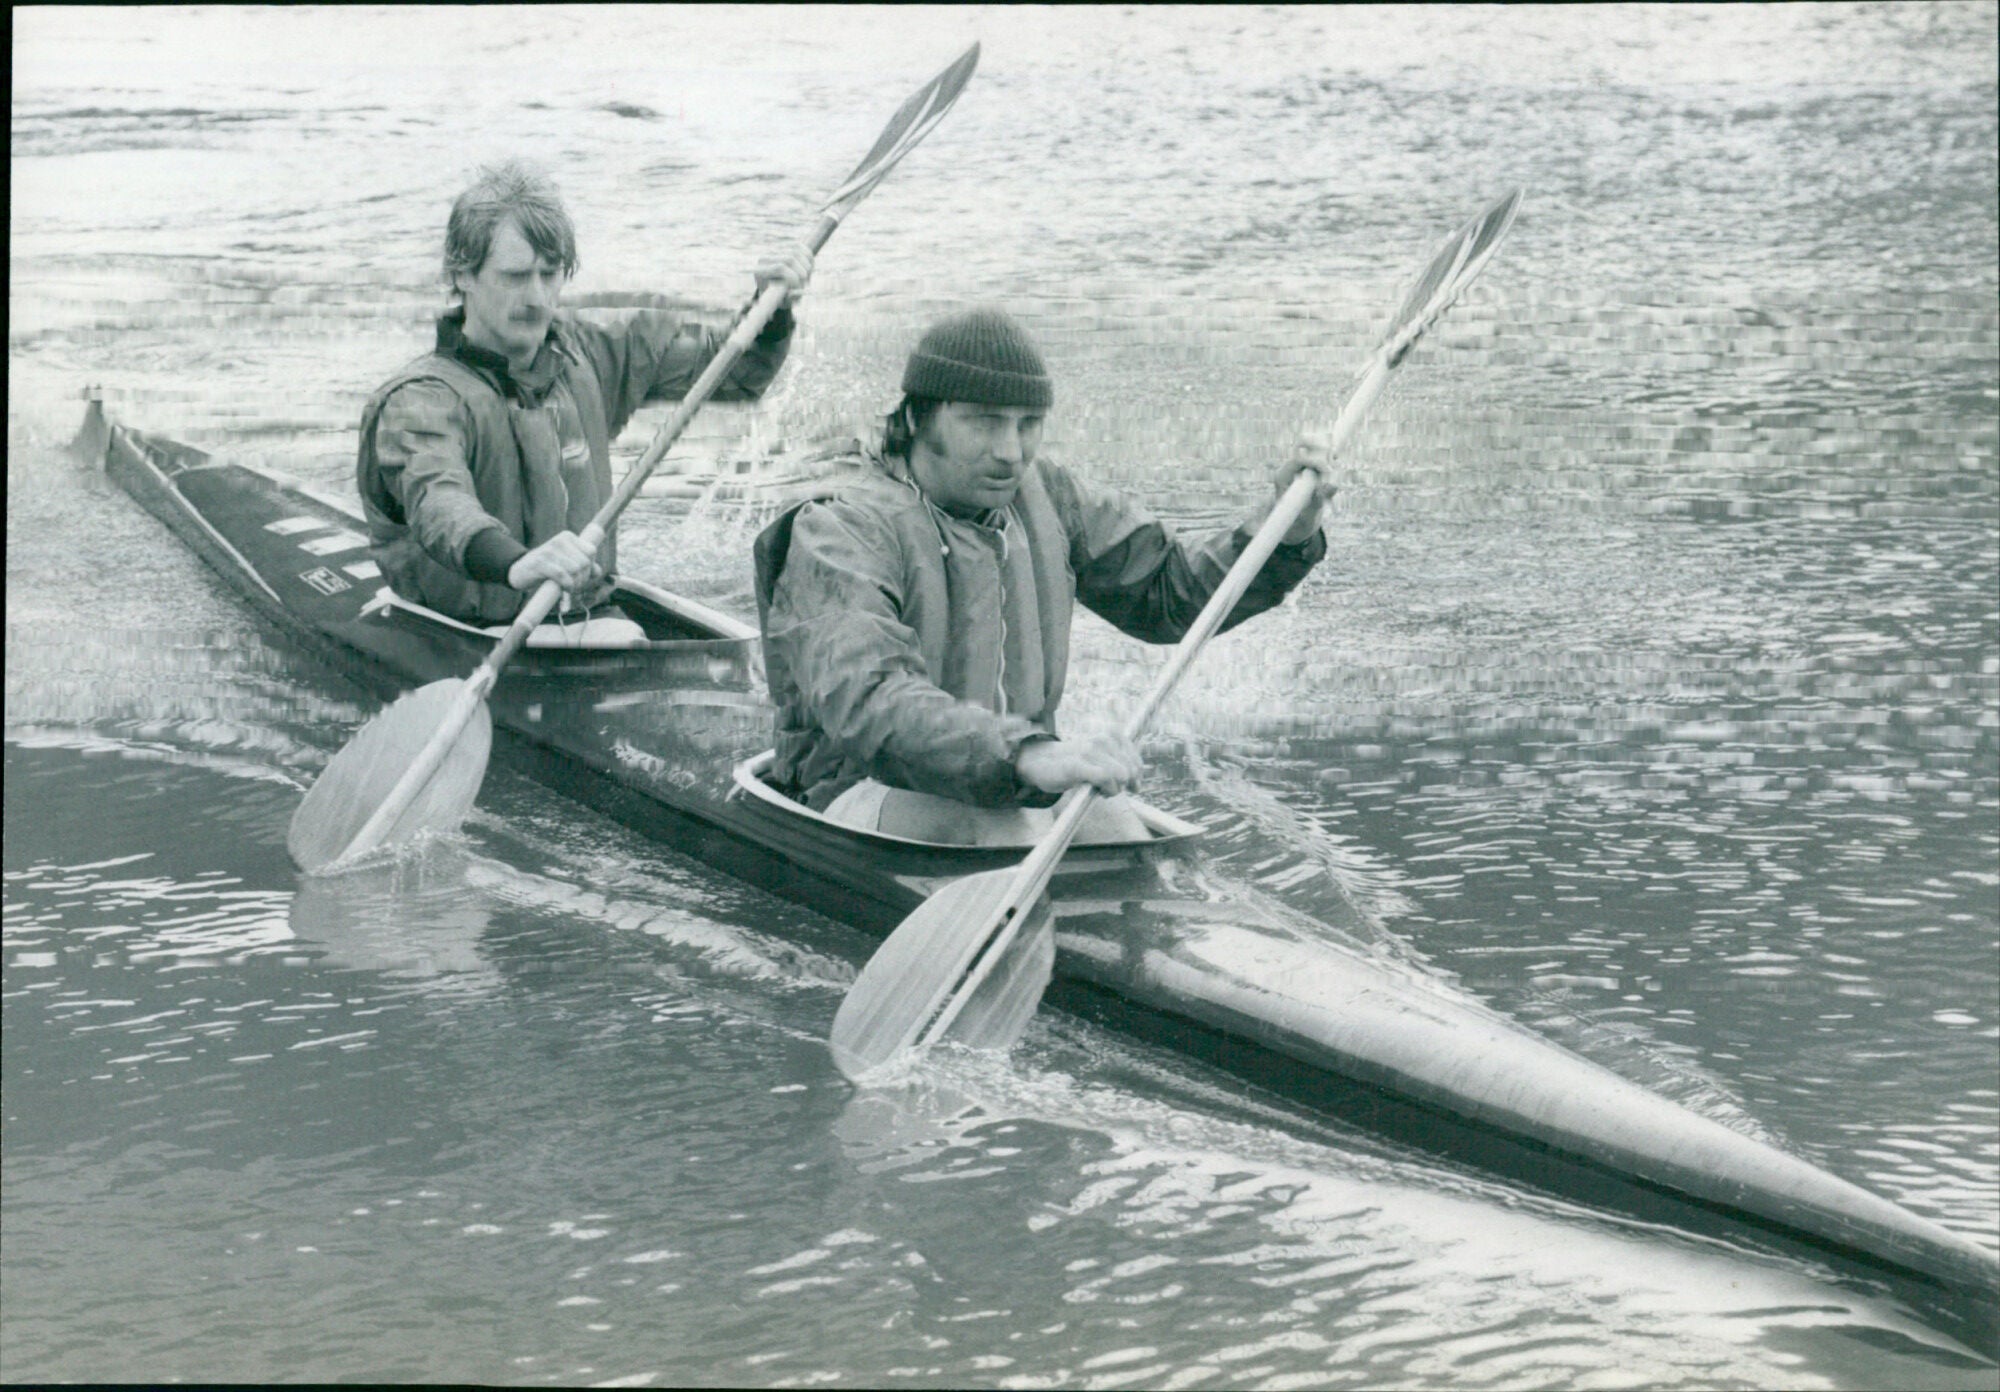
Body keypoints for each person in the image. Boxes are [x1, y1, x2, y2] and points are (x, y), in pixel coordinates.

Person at [753, 306, 1333, 845]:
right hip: (854, 795)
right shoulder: (841, 528)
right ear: (915, 417)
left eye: (1029, 423)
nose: (1011, 451)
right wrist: (1026, 755)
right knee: (1005, 833)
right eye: (984, 422)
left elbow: (1167, 594)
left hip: (1010, 777)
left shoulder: (1047, 496)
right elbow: (869, 696)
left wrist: (1282, 534)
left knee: (1116, 828)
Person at [358, 159, 811, 630]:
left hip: (588, 619)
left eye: (549, 274)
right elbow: (439, 505)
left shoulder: (591, 351)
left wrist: (771, 308)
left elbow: (737, 374)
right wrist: (517, 564)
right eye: (515, 276)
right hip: (467, 629)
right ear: (462, 276)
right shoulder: (419, 404)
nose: (537, 297)